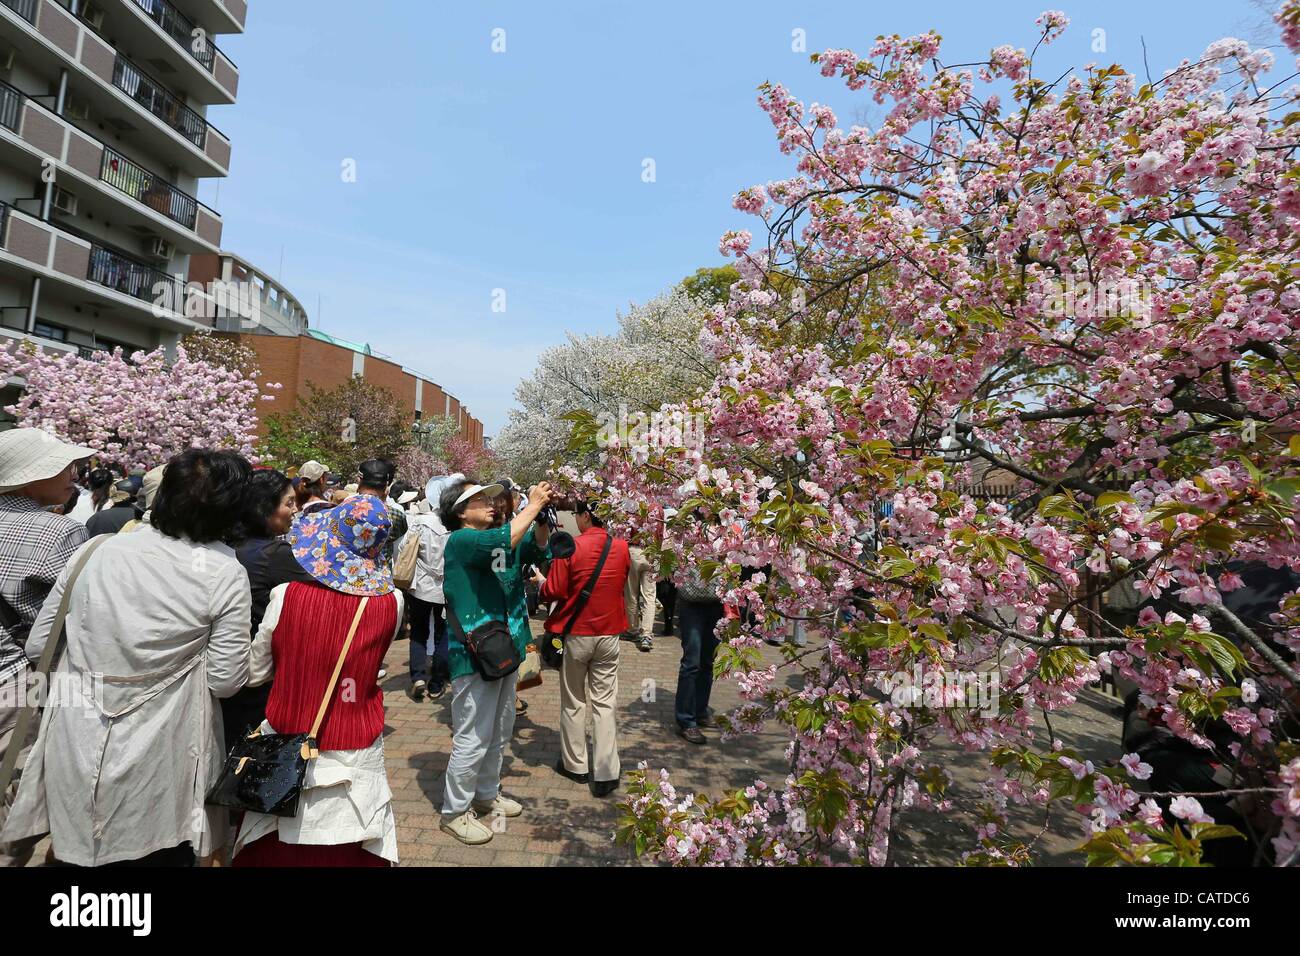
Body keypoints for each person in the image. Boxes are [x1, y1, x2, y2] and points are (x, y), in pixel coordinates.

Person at [1, 448, 253, 866]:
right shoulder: (225, 571)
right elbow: (225, 679)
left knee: (75, 854)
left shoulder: (95, 550)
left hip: (76, 733)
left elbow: (38, 644)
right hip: (163, 749)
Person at [232, 494, 403, 867]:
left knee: (272, 852)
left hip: (285, 744)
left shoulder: (285, 595)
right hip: (355, 749)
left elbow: (256, 672)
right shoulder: (392, 603)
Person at [437, 477, 552, 846]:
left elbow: (530, 548)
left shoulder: (491, 539)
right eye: (478, 499)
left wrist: (541, 516)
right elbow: (503, 541)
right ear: (459, 511)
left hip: (498, 649)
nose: (490, 502)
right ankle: (455, 811)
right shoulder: (461, 539)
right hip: (473, 656)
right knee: (472, 736)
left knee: (500, 729)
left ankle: (487, 793)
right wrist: (532, 504)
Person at [0, 428, 93, 867]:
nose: (72, 474)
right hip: (21, 680)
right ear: (27, 479)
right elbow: (76, 615)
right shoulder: (59, 532)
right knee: (15, 792)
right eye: (61, 466)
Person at [537, 499, 630, 796]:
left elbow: (554, 590)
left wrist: (541, 582)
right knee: (604, 702)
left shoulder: (571, 547)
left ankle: (575, 765)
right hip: (610, 633)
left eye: (577, 514)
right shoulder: (622, 547)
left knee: (574, 701)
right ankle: (606, 771)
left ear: (586, 516)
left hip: (576, 634)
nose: (576, 519)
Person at [225, 469, 315, 747]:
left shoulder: (224, 547)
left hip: (227, 669)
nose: (295, 509)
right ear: (264, 507)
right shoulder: (276, 556)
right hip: (265, 676)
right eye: (288, 503)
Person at [403, 475, 461, 702]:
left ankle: (418, 676)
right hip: (446, 587)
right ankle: (437, 681)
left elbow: (406, 550)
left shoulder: (419, 521)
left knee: (418, 632)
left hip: (420, 586)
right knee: (442, 633)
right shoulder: (456, 525)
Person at [490, 477, 544, 716]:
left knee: (513, 650)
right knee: (492, 651)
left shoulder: (518, 528)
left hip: (512, 603)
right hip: (487, 606)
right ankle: (499, 698)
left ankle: (510, 695)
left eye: (507, 499)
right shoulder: (479, 534)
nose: (503, 506)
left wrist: (542, 517)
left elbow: (539, 546)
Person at [674, 561, 726, 744]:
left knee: (708, 661)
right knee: (692, 661)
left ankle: (700, 710)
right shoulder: (685, 533)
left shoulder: (727, 533)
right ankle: (686, 720)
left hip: (716, 603)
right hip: (691, 604)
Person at [623, 543, 657, 652]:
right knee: (649, 597)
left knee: (631, 594)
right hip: (653, 551)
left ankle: (633, 630)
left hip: (634, 551)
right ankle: (646, 635)